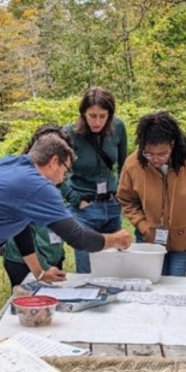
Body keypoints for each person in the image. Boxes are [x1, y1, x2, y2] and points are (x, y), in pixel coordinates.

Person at [0, 134, 133, 283]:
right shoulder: (38, 186)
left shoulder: (9, 163)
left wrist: (40, 273)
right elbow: (78, 238)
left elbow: (20, 227)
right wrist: (114, 240)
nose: (63, 179)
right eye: (65, 171)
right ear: (54, 162)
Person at [117, 112, 186, 277]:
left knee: (178, 287)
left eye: (162, 154)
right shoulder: (133, 164)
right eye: (149, 153)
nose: (155, 159)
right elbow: (127, 199)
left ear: (173, 144)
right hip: (149, 240)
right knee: (153, 286)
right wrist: (143, 226)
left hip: (184, 243)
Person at [60, 87, 129, 273]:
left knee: (114, 265)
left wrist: (122, 196)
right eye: (92, 116)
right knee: (87, 269)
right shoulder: (69, 134)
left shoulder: (119, 128)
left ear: (110, 115)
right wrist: (76, 199)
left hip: (112, 206)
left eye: (102, 116)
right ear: (83, 114)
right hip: (84, 209)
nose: (97, 121)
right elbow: (55, 174)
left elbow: (125, 167)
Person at [3, 125, 72, 286]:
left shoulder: (58, 177)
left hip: (52, 255)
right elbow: (22, 232)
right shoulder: (24, 180)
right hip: (24, 261)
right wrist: (44, 267)